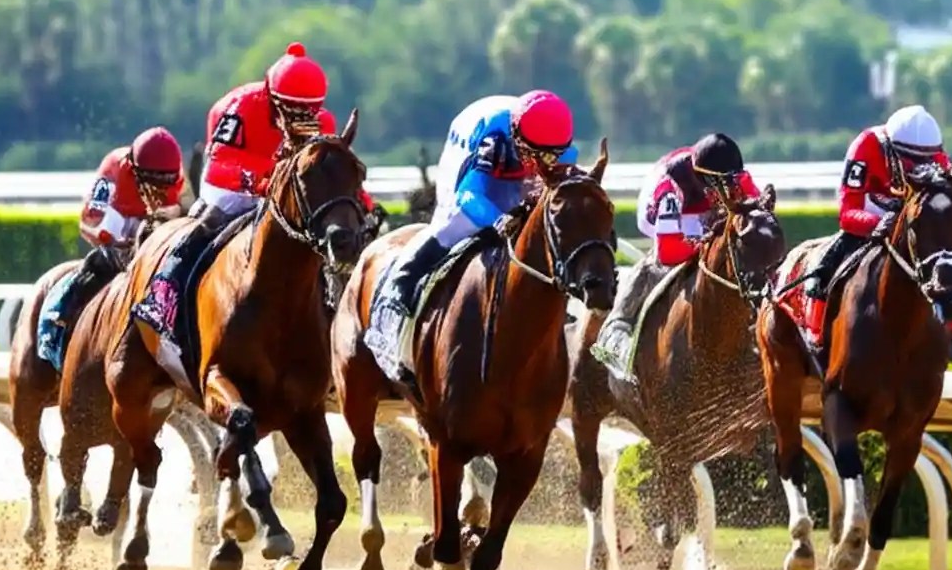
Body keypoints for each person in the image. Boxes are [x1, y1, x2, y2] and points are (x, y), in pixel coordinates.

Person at [132, 42, 338, 356]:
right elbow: (218, 165)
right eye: (293, 112)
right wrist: (264, 177)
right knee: (204, 226)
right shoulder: (241, 107)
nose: (303, 120)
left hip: (282, 191)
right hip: (232, 187)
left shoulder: (324, 123)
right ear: (273, 97)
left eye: (309, 112)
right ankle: (162, 299)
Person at [364, 91, 578, 378]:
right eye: (537, 155)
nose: (543, 163)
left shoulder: (558, 147)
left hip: (515, 168)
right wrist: (500, 220)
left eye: (552, 156)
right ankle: (399, 292)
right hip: (468, 164)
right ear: (517, 137)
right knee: (454, 225)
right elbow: (468, 194)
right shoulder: (494, 138)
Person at [591, 133, 760, 374]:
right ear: (702, 177)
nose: (726, 190)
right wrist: (705, 243)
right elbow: (669, 251)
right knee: (660, 267)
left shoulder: (735, 177)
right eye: (718, 185)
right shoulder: (670, 187)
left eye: (730, 182)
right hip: (662, 218)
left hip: (698, 201)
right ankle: (616, 334)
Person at [801, 104, 951, 349]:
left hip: (912, 225)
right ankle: (815, 334)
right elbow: (847, 213)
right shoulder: (866, 146)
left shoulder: (938, 158)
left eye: (928, 159)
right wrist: (880, 224)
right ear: (890, 148)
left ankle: (948, 329)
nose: (920, 166)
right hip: (871, 218)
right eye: (911, 159)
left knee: (949, 266)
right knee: (820, 271)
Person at [53, 127, 185, 332]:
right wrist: (107, 240)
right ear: (133, 169)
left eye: (167, 181)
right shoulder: (113, 170)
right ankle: (66, 308)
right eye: (152, 181)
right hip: (118, 213)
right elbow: (87, 223)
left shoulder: (178, 177)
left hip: (154, 217)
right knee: (109, 252)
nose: (160, 189)